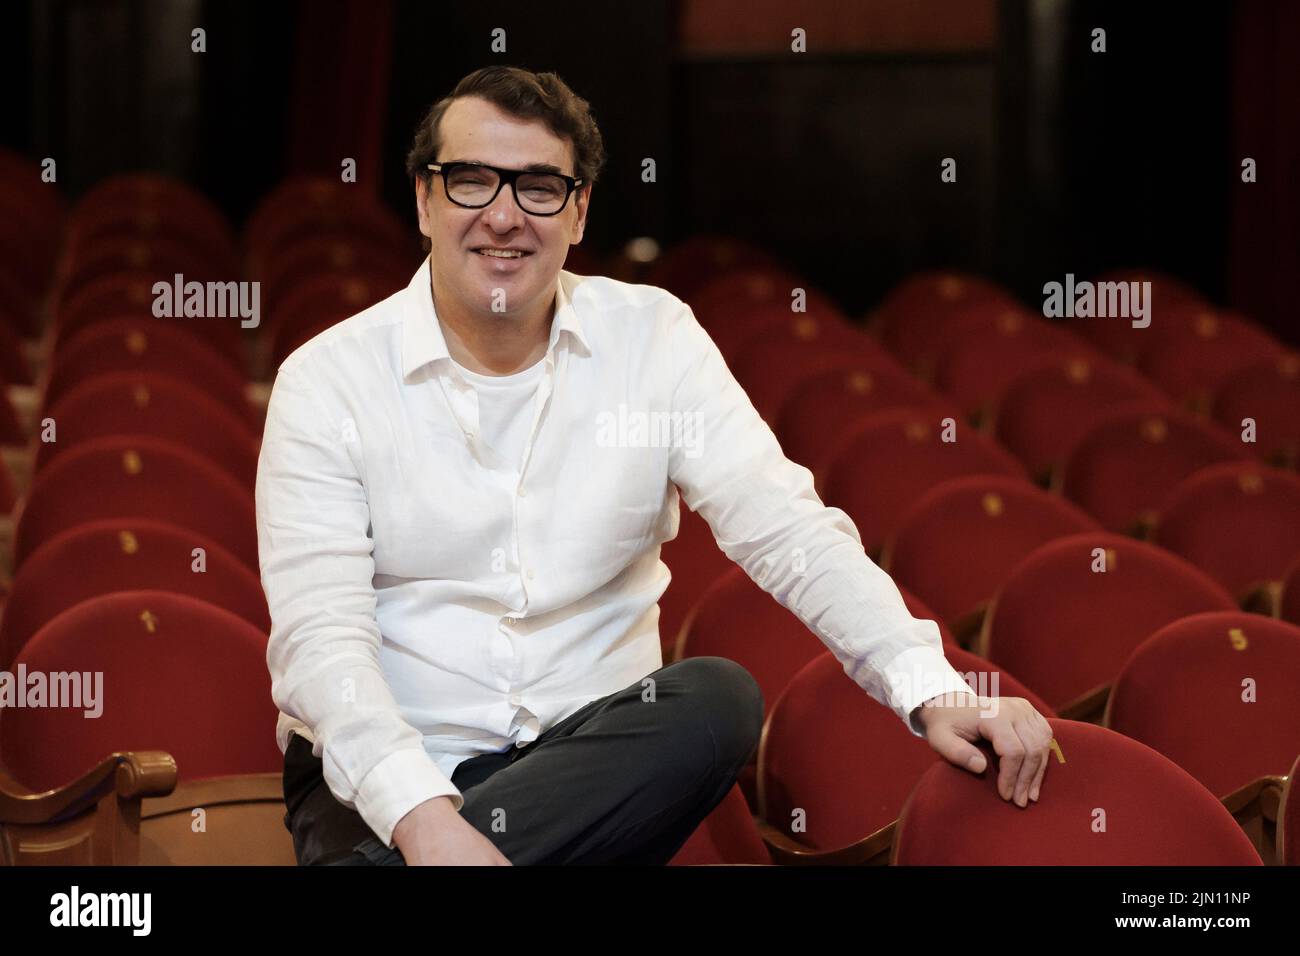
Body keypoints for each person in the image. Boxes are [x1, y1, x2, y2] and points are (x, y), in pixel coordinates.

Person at [257, 65, 1054, 867]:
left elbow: (787, 528)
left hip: (594, 768)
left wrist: (935, 689)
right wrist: (429, 828)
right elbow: (321, 645)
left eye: (538, 186)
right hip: (388, 783)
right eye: (471, 182)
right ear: (425, 200)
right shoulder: (328, 381)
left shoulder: (655, 338)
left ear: (579, 211)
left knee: (716, 699)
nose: (503, 215)